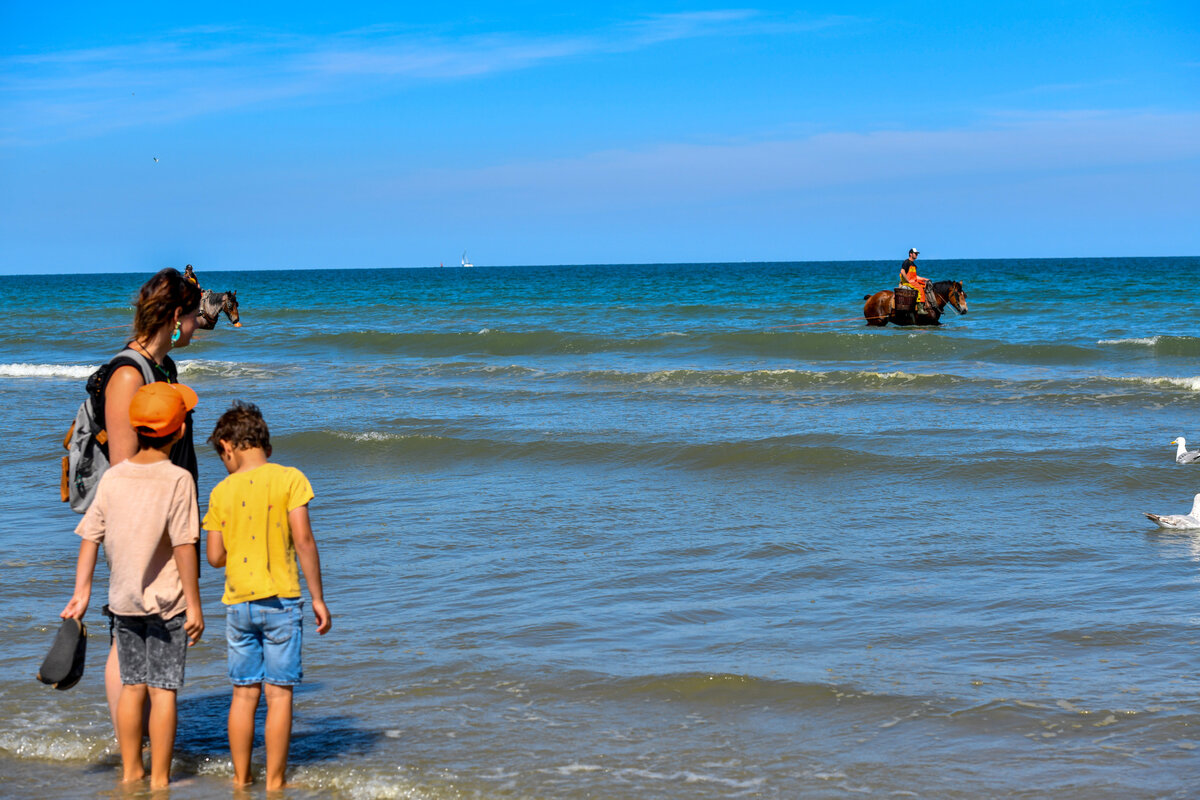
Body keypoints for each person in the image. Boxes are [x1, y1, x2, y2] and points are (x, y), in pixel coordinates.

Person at [60, 382, 204, 787]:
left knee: (132, 687)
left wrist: (81, 592)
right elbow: (184, 545)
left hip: (122, 603)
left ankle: (130, 773)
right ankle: (159, 781)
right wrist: (194, 604)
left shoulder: (115, 477)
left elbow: (91, 535)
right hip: (168, 605)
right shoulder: (179, 480)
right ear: (179, 431)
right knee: (163, 692)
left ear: (136, 429)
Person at [203, 402, 332, 790]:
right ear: (266, 447)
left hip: (238, 604)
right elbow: (304, 540)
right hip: (281, 602)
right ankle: (275, 783)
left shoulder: (221, 491)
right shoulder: (290, 478)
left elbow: (213, 557)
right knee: (278, 696)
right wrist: (318, 598)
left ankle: (242, 780)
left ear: (227, 446)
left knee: (243, 696)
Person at [97, 268, 202, 735]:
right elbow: (124, 473)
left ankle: (140, 746)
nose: (200, 326)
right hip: (139, 527)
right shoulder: (127, 373)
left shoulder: (163, 367)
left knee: (152, 637)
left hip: (166, 521)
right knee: (127, 642)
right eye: (196, 318)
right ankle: (131, 755)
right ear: (176, 317)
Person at [898, 247, 930, 314]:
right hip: (909, 282)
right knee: (920, 289)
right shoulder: (906, 262)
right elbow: (902, 271)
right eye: (915, 254)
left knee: (924, 285)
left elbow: (915, 276)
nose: (916, 255)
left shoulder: (913, 264)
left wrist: (924, 279)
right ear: (910, 254)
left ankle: (924, 304)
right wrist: (907, 280)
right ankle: (920, 309)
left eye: (917, 254)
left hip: (913, 281)